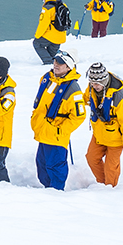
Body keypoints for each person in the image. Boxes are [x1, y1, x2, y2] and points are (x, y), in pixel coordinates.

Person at [30, 51, 86, 190]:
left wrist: (60, 130)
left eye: (60, 62)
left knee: (55, 167)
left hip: (56, 136)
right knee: (42, 166)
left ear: (69, 67)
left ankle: (56, 194)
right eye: (55, 61)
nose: (56, 64)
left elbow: (79, 116)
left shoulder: (74, 91)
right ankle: (47, 190)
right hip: (43, 132)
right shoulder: (48, 79)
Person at [83, 61, 123, 186]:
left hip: (115, 140)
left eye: (97, 83)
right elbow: (84, 99)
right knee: (91, 158)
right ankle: (102, 185)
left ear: (104, 80)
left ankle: (110, 190)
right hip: (99, 135)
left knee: (111, 169)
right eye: (92, 82)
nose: (94, 85)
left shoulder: (120, 96)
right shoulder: (91, 88)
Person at [33, 0, 70, 64]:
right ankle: (53, 62)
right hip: (61, 36)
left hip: (51, 35)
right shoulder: (63, 5)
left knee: (37, 43)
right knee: (52, 51)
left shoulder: (47, 8)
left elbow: (43, 24)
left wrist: (37, 36)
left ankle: (48, 62)